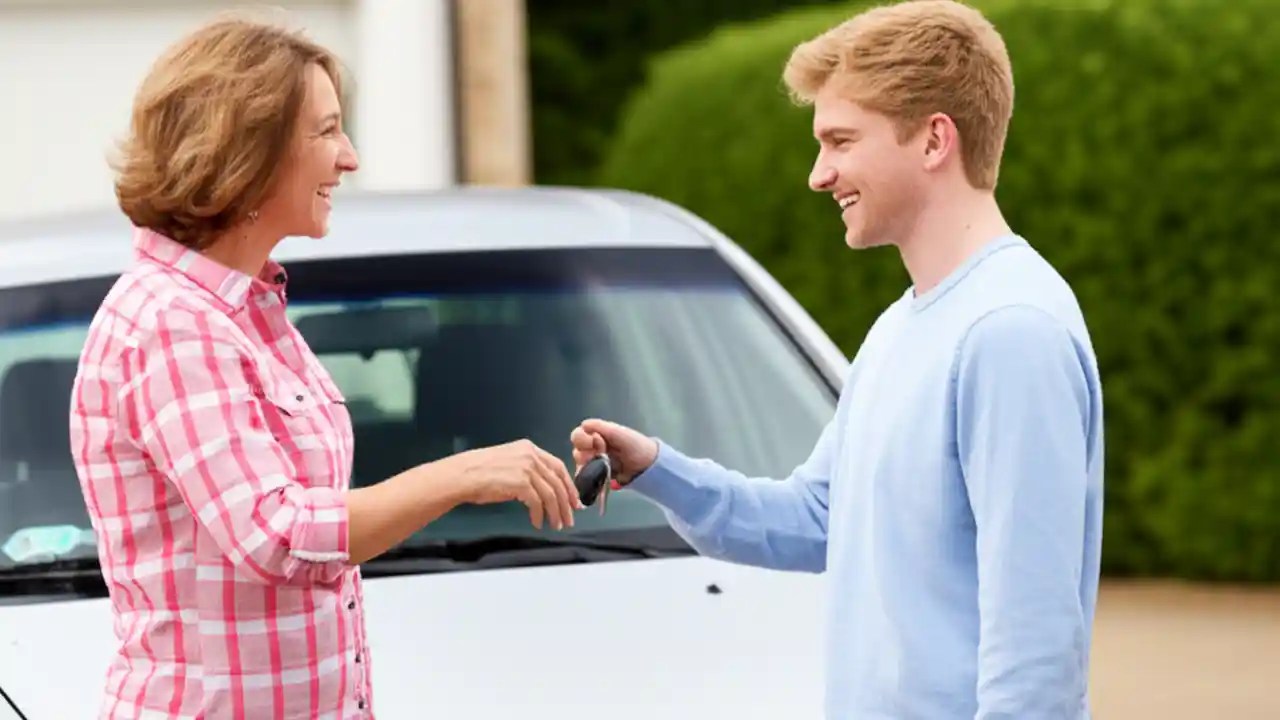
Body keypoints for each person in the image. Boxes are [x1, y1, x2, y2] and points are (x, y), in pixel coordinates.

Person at [570, 1, 1105, 718]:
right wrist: (660, 470)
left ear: (934, 140)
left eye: (841, 140)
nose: (819, 174)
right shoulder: (901, 327)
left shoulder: (1010, 333)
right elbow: (819, 518)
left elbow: (1036, 654)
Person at [68, 14, 581, 720]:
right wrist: (460, 475)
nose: (350, 157)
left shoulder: (241, 311)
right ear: (248, 148)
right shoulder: (171, 325)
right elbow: (277, 536)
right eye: (328, 130)